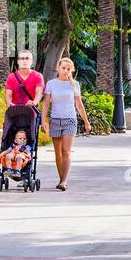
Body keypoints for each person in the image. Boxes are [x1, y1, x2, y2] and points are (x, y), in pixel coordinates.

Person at [41, 57, 92, 191]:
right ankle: (61, 178)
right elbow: (46, 103)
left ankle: (64, 181)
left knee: (66, 151)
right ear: (58, 68)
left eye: (68, 69)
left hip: (70, 120)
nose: (66, 71)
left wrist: (86, 122)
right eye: (63, 68)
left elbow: (79, 105)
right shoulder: (51, 83)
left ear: (72, 70)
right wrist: (43, 121)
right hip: (55, 120)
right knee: (58, 152)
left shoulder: (74, 84)